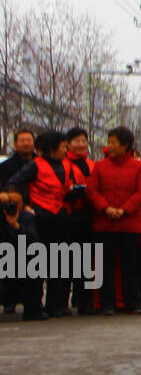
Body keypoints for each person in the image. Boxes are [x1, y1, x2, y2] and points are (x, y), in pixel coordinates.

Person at [9, 130, 76, 316]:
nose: (66, 149)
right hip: (40, 217)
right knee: (37, 264)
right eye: (63, 146)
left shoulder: (66, 165)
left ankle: (55, 304)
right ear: (52, 148)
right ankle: (33, 306)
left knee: (60, 262)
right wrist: (26, 204)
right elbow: (14, 183)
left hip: (60, 216)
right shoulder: (35, 165)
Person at [87, 127, 141, 315]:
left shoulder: (139, 167)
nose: (110, 146)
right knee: (105, 266)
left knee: (129, 265)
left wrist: (124, 209)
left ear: (125, 146)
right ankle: (107, 304)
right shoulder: (100, 166)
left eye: (114, 142)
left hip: (129, 224)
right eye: (110, 142)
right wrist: (106, 208)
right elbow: (91, 191)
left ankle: (131, 302)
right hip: (104, 223)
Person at [0, 184, 46, 320]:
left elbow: (33, 241)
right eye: (8, 203)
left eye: (15, 203)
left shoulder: (26, 217)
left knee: (36, 264)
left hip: (20, 260)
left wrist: (15, 225)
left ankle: (33, 309)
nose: (11, 207)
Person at [64, 128, 97, 314]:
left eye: (83, 140)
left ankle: (84, 299)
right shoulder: (63, 164)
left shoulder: (92, 164)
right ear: (67, 144)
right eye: (76, 141)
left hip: (89, 215)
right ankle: (63, 300)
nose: (80, 144)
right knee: (68, 260)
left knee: (87, 260)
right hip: (70, 216)